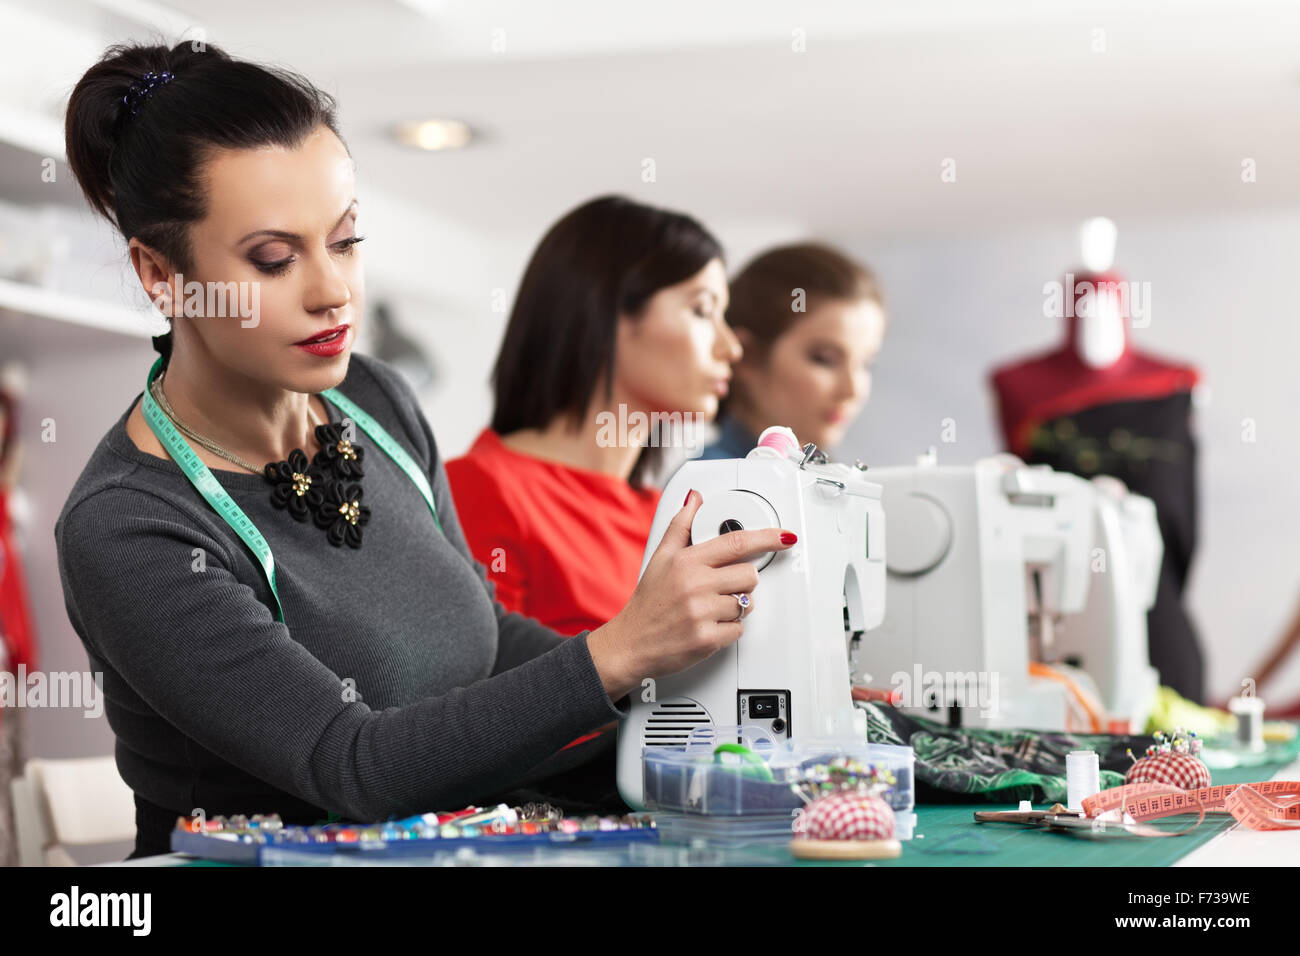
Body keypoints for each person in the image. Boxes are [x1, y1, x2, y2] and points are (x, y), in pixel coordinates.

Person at [53, 41, 793, 858]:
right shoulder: (130, 525)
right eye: (273, 259)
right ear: (161, 275)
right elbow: (355, 767)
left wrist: (684, 700)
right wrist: (619, 653)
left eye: (344, 241)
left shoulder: (373, 402)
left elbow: (489, 638)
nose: (331, 290)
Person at [445, 196, 742, 638]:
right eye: (702, 310)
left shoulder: (665, 515)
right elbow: (486, 696)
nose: (731, 347)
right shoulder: (479, 490)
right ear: (607, 311)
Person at [697, 242, 887, 461]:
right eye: (824, 359)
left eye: (866, 364)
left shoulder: (827, 479)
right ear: (747, 356)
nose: (852, 390)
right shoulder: (713, 485)